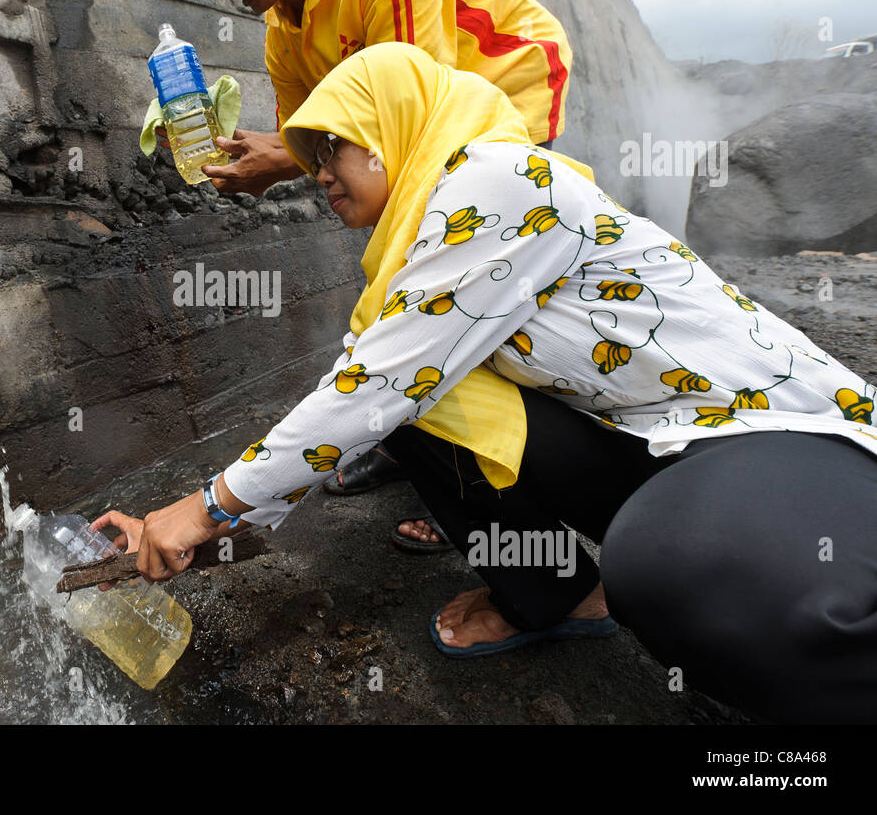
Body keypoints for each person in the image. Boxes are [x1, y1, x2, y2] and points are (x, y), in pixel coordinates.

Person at [97, 41, 877, 723]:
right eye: (311, 155)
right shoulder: (425, 246)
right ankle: (557, 593)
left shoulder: (500, 181)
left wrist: (201, 507)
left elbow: (372, 386)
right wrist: (226, 520)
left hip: (770, 432)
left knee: (661, 565)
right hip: (655, 439)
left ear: (394, 120)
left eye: (335, 143)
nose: (320, 173)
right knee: (412, 397)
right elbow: (368, 392)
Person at [160, 0, 578, 518]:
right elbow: (325, 150)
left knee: (467, 262)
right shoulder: (282, 35)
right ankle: (406, 427)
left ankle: (479, 479)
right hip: (425, 123)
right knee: (402, 254)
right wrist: (254, 159)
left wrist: (283, 157)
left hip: (508, 75)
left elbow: (422, 129)